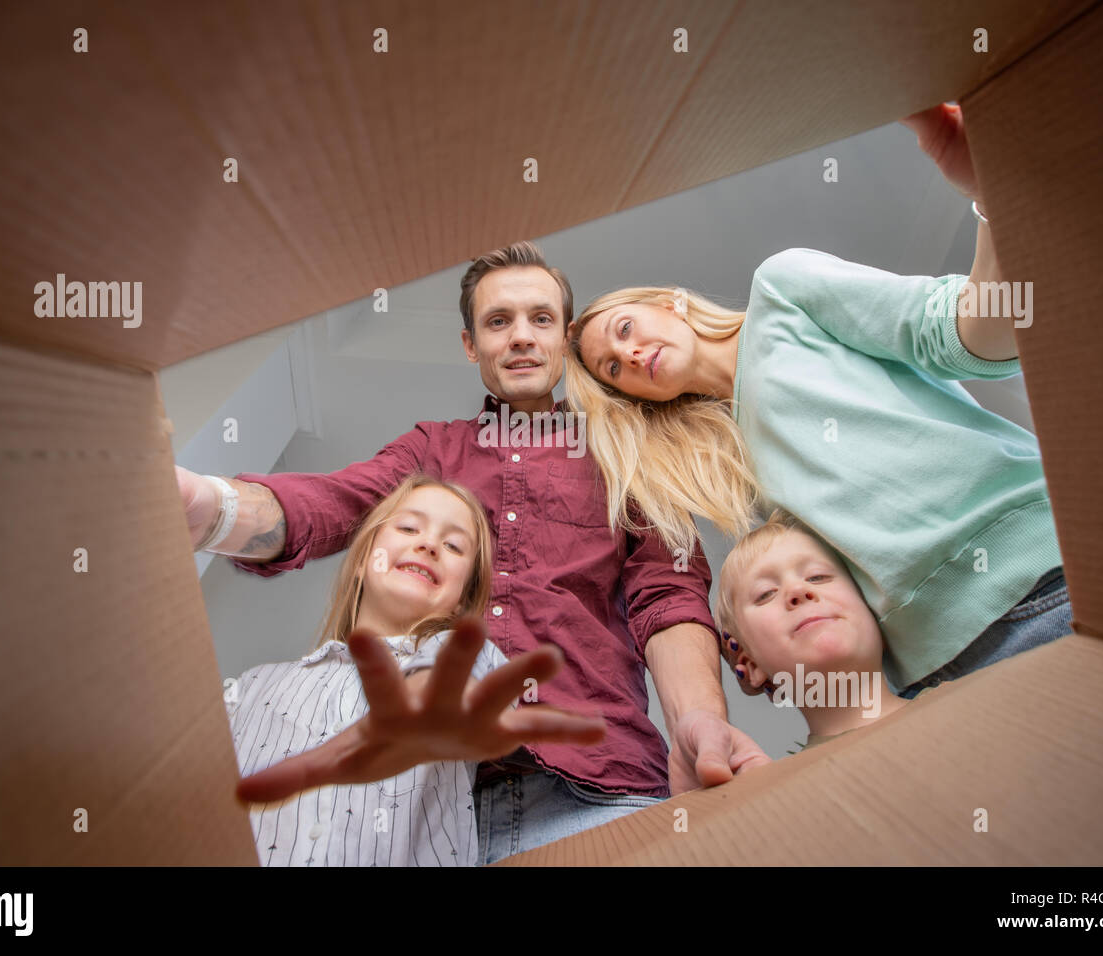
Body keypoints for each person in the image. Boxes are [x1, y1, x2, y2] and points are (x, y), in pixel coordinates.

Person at [179, 241, 769, 865]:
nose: (520, 337)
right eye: (498, 321)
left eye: (540, 319)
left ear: (566, 338)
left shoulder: (626, 454)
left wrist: (698, 722)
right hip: (421, 813)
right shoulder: (430, 449)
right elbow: (329, 503)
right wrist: (210, 509)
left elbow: (668, 600)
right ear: (470, 345)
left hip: (601, 794)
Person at [565, 104, 1071, 698]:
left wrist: (992, 193)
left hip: (1048, 579)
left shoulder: (783, 291)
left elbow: (965, 335)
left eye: (624, 330)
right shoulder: (731, 465)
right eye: (612, 370)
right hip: (937, 668)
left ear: (668, 303)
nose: (629, 357)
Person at [227, 474, 605, 866]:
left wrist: (424, 701)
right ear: (361, 561)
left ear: (461, 601)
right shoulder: (255, 684)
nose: (428, 544)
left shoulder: (466, 654)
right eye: (408, 527)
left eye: (454, 546)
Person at [714, 510, 917, 750]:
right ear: (750, 665)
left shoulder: (969, 698)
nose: (798, 590)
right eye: (766, 593)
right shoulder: (785, 786)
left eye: (817, 576)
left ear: (874, 609)